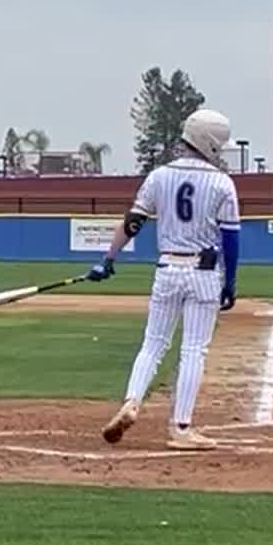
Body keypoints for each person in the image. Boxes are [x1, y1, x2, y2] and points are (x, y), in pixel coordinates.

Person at [90, 109, 242, 451]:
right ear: (211, 143)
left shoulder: (159, 176)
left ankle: (131, 401)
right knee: (193, 350)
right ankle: (181, 426)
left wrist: (108, 258)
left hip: (167, 269)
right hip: (203, 273)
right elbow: (231, 239)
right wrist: (230, 282)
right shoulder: (221, 183)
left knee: (154, 342)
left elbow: (133, 221)